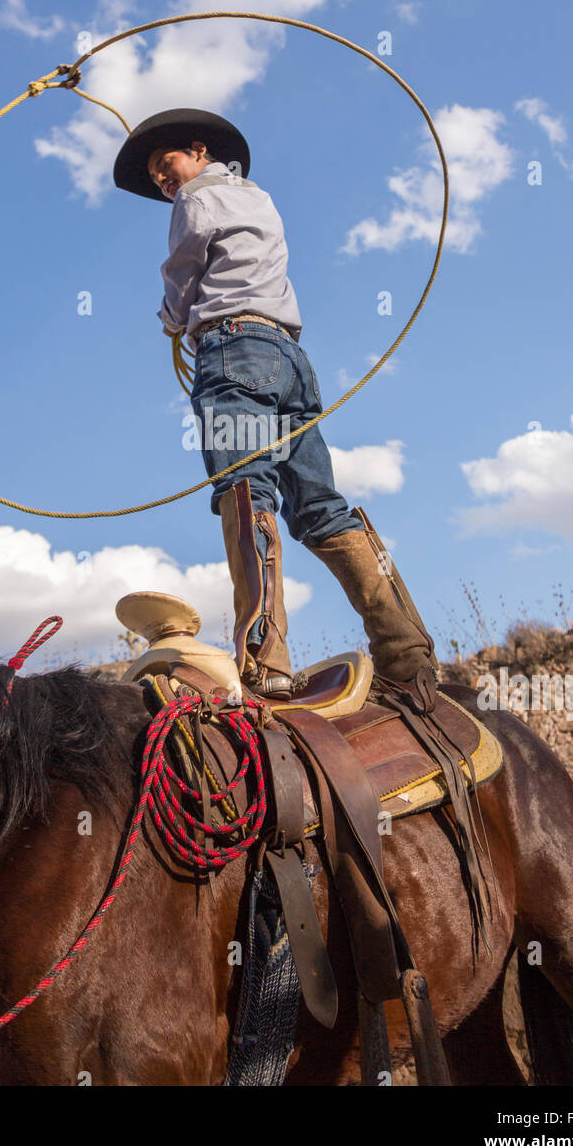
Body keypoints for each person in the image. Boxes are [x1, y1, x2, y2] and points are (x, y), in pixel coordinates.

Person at [113, 108, 438, 707]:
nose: (165, 180)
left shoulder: (195, 198)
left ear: (198, 151)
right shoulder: (258, 197)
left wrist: (171, 319)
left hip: (232, 349)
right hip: (289, 359)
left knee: (246, 490)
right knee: (320, 505)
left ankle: (266, 663)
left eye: (168, 165)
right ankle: (408, 654)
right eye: (158, 176)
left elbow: (184, 268)